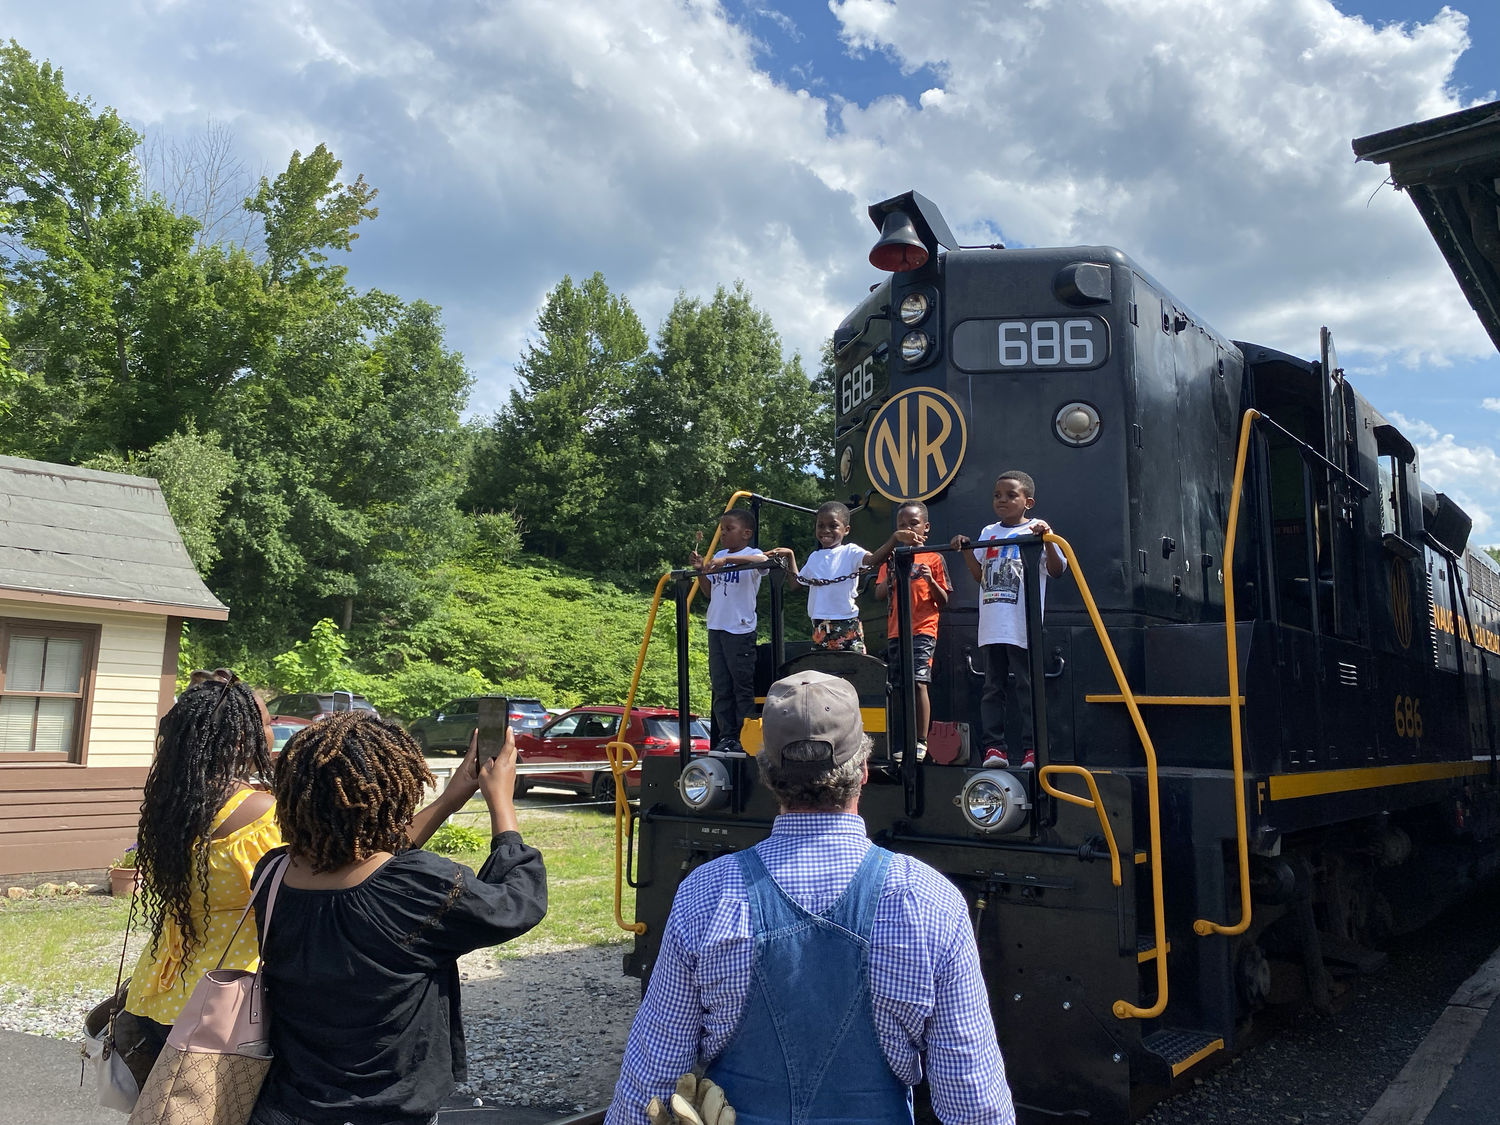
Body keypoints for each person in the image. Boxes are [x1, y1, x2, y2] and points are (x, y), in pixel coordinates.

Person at [607, 670, 1014, 1125]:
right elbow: (975, 1098)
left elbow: (651, 1077)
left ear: (767, 774)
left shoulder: (705, 894)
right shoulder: (928, 898)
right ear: (863, 769)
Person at [248, 712, 547, 1125]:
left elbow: (363, 858)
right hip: (387, 1108)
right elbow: (517, 902)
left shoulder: (272, 874)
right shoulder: (419, 885)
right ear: (395, 791)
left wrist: (451, 798)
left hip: (289, 1103)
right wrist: (501, 804)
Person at [118, 673, 282, 1088]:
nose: (273, 730)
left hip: (160, 988)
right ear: (241, 738)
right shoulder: (262, 812)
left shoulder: (170, 806)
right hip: (230, 1002)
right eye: (264, 721)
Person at [949, 470, 1067, 770]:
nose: (1002, 500)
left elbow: (1056, 570)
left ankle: (1032, 749)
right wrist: (966, 550)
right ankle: (994, 749)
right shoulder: (988, 532)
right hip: (991, 625)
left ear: (1028, 501)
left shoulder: (1037, 531)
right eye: (997, 495)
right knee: (992, 688)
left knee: (1027, 687)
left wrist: (1047, 540)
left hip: (1021, 625)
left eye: (1010, 495)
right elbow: (981, 577)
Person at [768, 501, 918, 654]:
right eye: (820, 526)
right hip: (820, 625)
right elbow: (796, 584)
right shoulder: (815, 557)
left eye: (833, 526)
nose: (826, 530)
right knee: (825, 671)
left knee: (853, 667)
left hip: (846, 623)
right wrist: (789, 556)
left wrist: (894, 539)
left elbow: (873, 560)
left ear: (846, 530)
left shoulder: (850, 552)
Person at [875, 501, 951, 756]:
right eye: (902, 525)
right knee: (897, 685)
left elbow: (943, 600)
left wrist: (930, 580)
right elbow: (878, 593)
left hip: (923, 629)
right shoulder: (891, 559)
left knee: (919, 682)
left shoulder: (934, 557)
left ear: (925, 526)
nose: (908, 529)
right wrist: (893, 574)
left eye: (913, 523)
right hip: (896, 631)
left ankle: (921, 741)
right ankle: (901, 740)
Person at [690, 509, 769, 752]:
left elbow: (765, 562)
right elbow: (708, 591)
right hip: (716, 628)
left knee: (741, 687)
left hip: (740, 631)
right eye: (721, 529)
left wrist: (728, 561)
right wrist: (702, 569)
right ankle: (727, 736)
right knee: (721, 687)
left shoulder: (751, 554)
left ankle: (746, 737)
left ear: (746, 534)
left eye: (729, 529)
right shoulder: (720, 555)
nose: (723, 533)